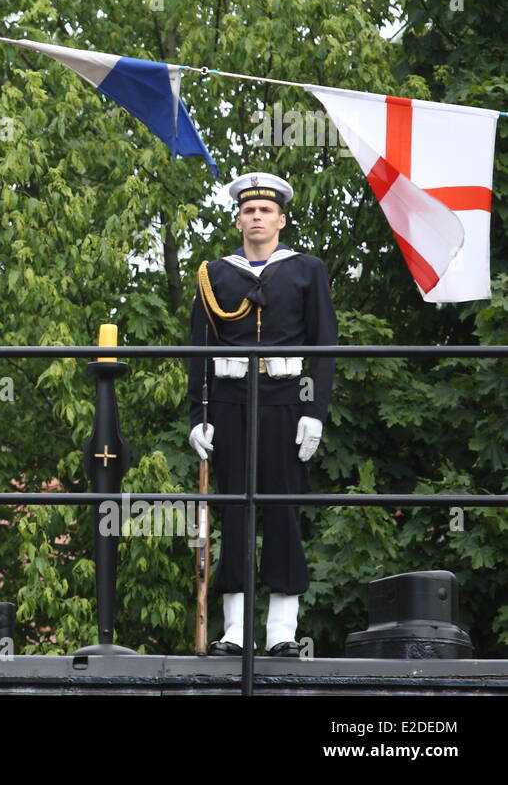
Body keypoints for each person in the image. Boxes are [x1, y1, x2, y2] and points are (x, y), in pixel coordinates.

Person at [187, 172, 336, 657]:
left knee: (283, 509)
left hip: (286, 398)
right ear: (237, 220)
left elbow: (323, 345)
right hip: (229, 401)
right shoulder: (214, 274)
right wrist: (198, 414)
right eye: (249, 211)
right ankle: (235, 629)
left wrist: (314, 411)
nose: (257, 217)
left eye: (265, 211)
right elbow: (198, 351)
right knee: (232, 509)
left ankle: (281, 631)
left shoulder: (306, 269)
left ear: (281, 219)